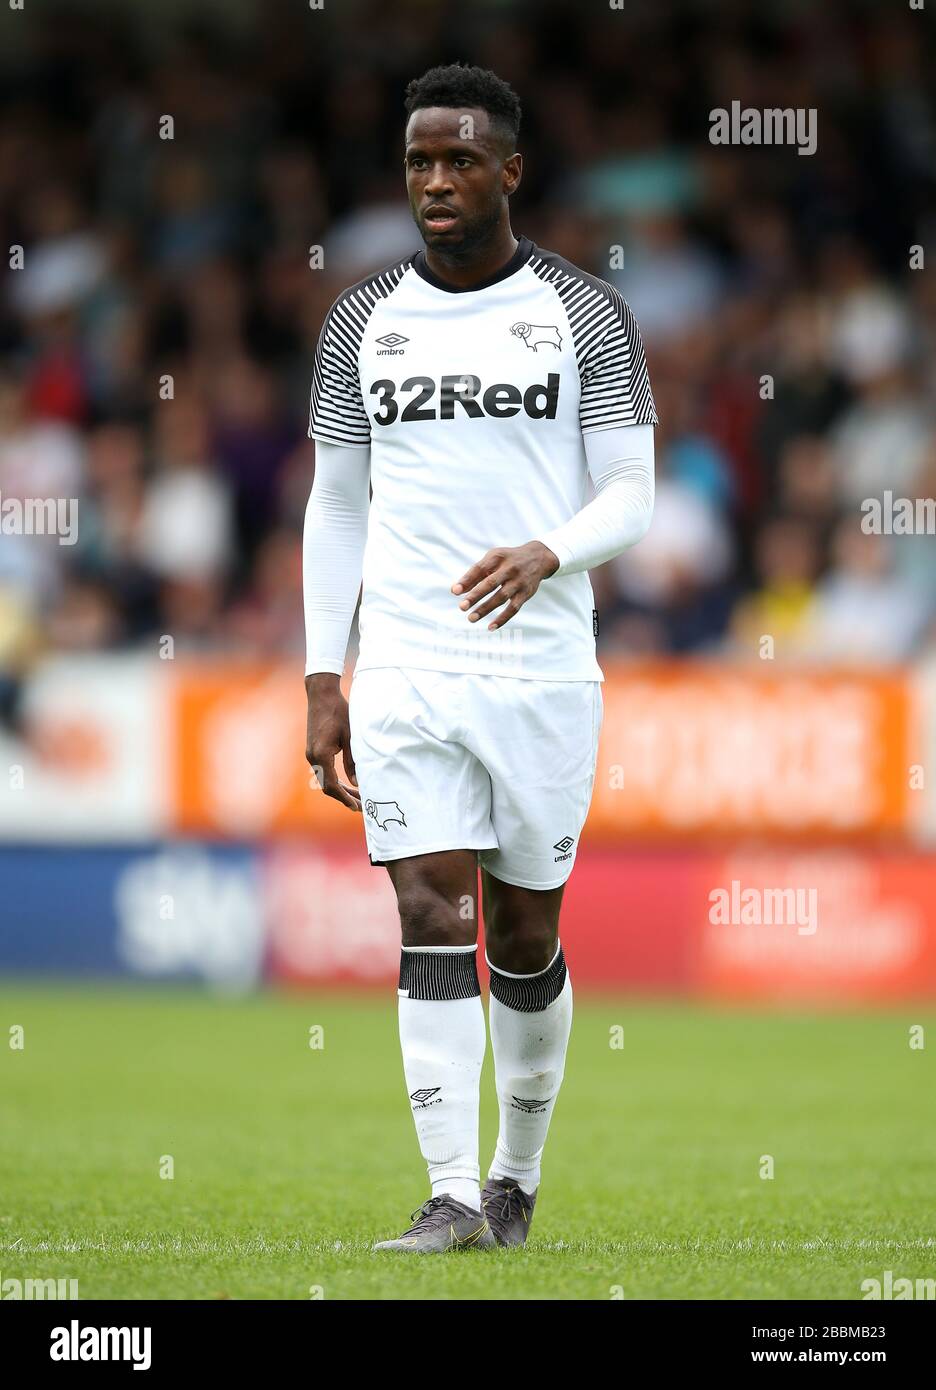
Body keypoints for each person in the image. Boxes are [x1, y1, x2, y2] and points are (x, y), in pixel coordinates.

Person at [303, 63, 656, 1253]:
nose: (437, 181)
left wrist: (547, 552)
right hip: (403, 666)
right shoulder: (362, 320)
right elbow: (335, 506)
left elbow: (632, 493)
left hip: (543, 669)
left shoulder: (580, 312)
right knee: (428, 906)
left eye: (461, 160)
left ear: (512, 169)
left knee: (523, 934)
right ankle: (453, 1193)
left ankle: (515, 1175)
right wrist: (321, 677)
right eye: (418, 161)